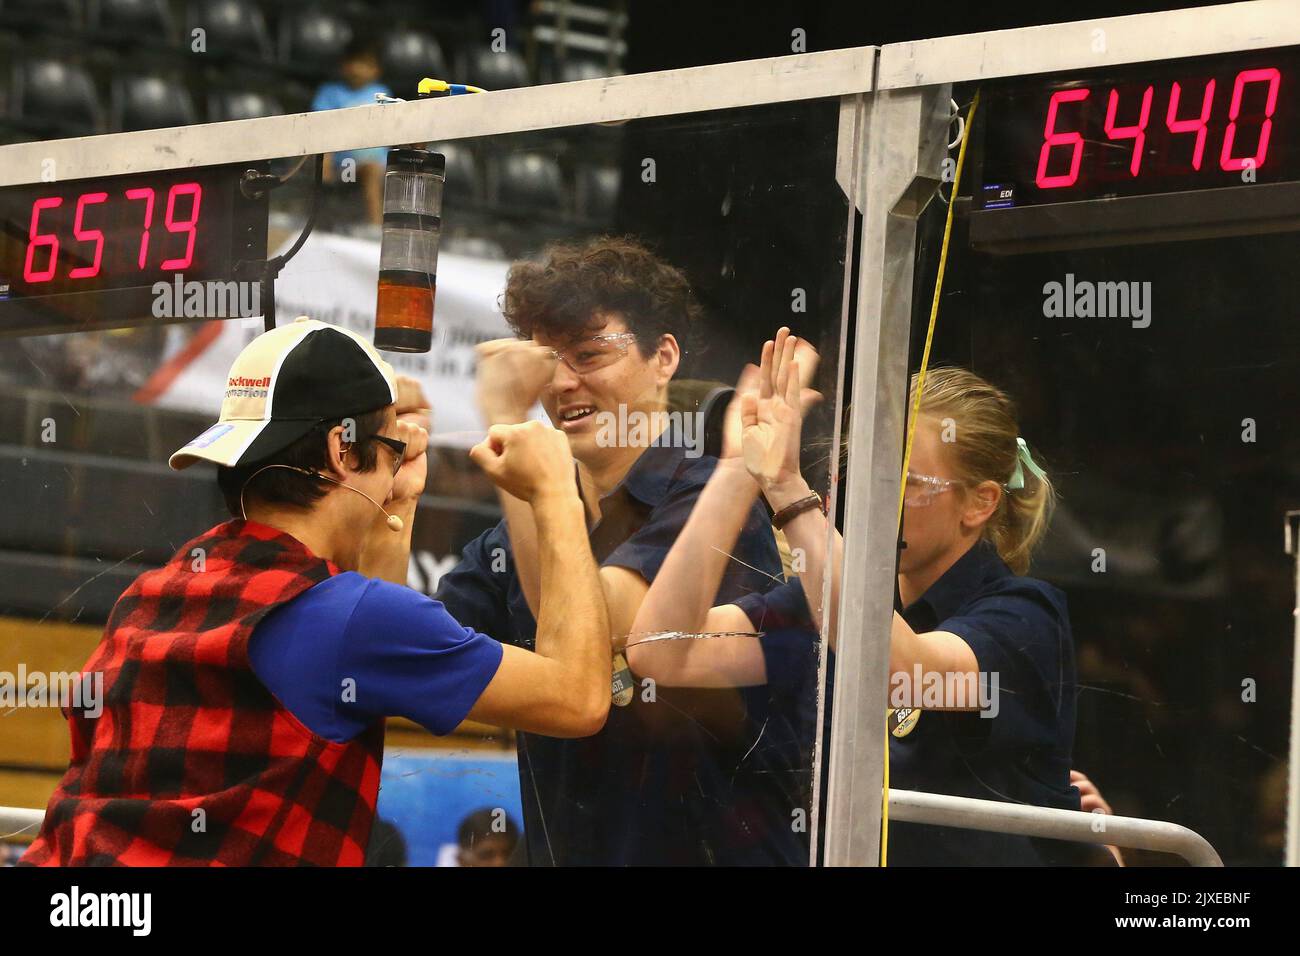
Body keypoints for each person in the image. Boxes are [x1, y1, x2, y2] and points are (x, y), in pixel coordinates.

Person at [20, 318, 610, 866]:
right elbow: (579, 700)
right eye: (388, 447)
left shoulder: (154, 591)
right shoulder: (347, 618)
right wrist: (556, 494)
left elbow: (362, 659)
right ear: (341, 451)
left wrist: (392, 497)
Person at [627, 328, 1083, 865]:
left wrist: (788, 488)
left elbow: (901, 673)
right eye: (863, 474)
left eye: (906, 482)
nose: (874, 499)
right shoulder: (825, 604)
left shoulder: (1025, 616)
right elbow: (660, 649)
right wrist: (738, 471)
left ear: (979, 503)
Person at [434, 236, 803, 865]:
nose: (563, 381)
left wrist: (505, 417)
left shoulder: (714, 500)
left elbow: (591, 629)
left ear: (664, 357)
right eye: (546, 359)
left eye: (589, 354)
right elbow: (425, 658)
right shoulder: (507, 539)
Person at [311, 38, 391, 225]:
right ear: (343, 65)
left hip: (382, 165)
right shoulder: (330, 93)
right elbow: (321, 131)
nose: (357, 68)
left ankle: (376, 228)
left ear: (376, 69)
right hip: (345, 165)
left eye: (364, 63)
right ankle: (371, 226)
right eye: (353, 62)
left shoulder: (382, 93)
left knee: (376, 169)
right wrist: (326, 168)